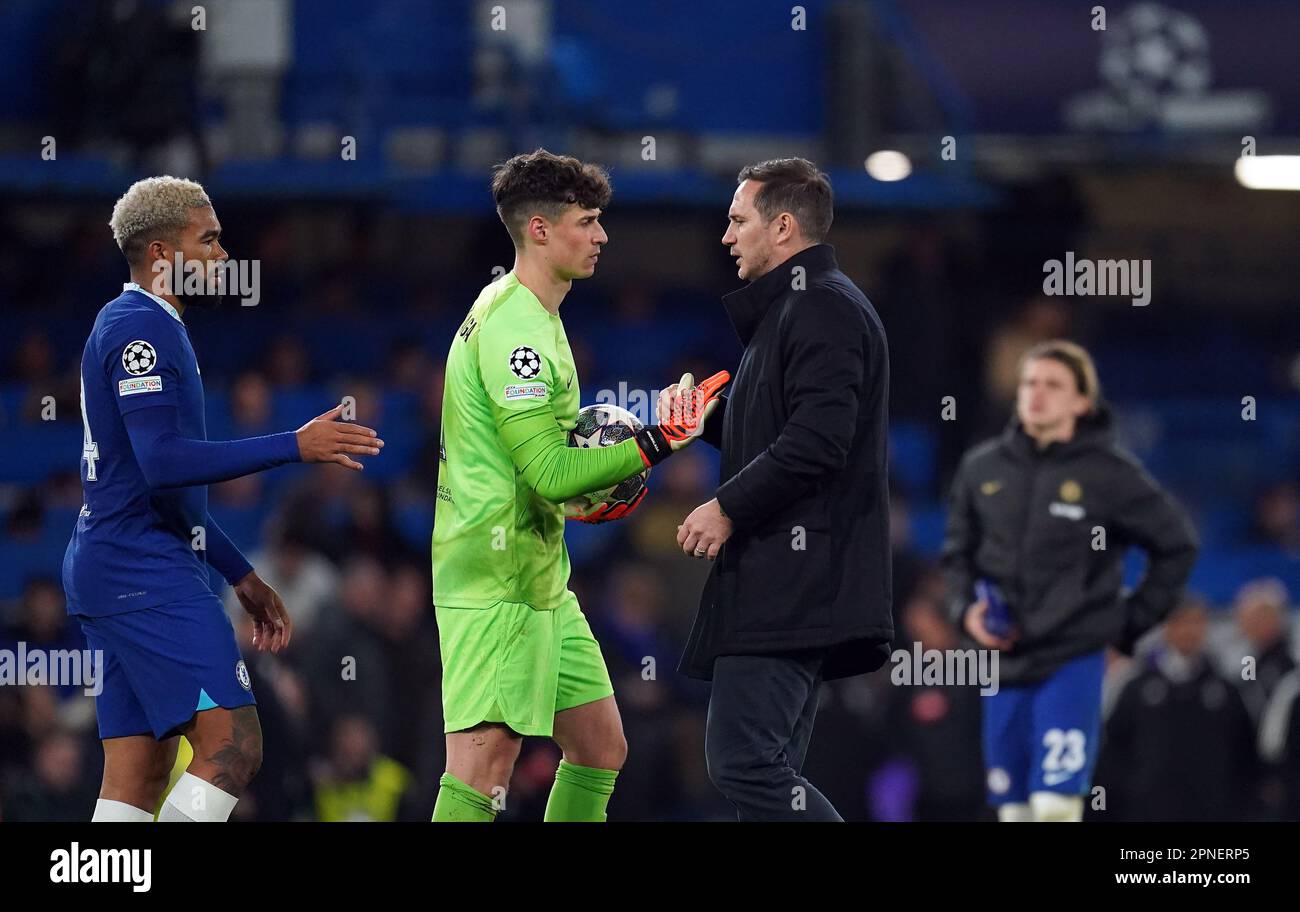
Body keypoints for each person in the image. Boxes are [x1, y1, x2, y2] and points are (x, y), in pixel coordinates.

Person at [66, 176, 383, 822]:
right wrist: (293, 444)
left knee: (140, 772)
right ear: (161, 255)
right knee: (233, 746)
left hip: (119, 561)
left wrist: (239, 573)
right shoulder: (139, 329)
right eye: (207, 240)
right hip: (140, 569)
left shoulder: (145, 324)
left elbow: (174, 492)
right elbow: (163, 464)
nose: (222, 257)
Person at [430, 149, 725, 822]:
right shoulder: (516, 333)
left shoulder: (532, 313)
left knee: (598, 746)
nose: (602, 237)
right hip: (495, 580)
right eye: (587, 222)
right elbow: (550, 472)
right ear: (540, 229)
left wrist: (612, 472)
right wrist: (656, 441)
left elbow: (556, 477)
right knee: (483, 766)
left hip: (537, 578)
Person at [672, 158, 894, 821]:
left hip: (793, 584)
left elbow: (819, 444)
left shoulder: (822, 309)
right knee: (766, 782)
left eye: (738, 220)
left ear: (785, 227)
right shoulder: (795, 310)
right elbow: (784, 433)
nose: (727, 236)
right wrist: (704, 421)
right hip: (789, 581)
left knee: (743, 760)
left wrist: (727, 505)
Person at [941, 339, 1198, 822]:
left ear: (1082, 400)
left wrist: (1127, 624)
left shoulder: (1112, 475)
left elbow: (1177, 546)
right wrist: (964, 612)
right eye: (1029, 383)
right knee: (1013, 811)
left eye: (1053, 385)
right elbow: (958, 556)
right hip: (1000, 662)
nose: (1036, 394)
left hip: (1071, 661)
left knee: (1055, 808)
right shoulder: (982, 469)